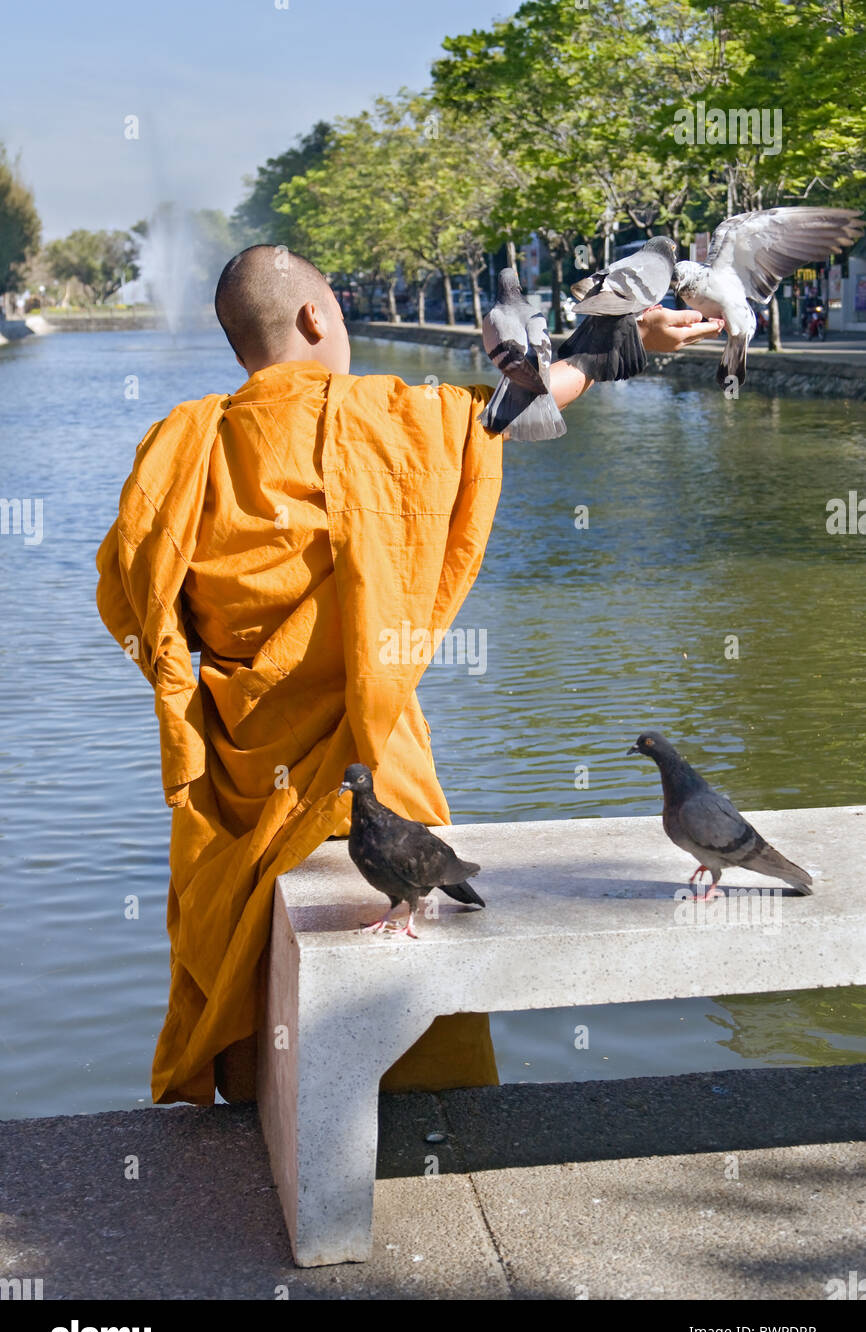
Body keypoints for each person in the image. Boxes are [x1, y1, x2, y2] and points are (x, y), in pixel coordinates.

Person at [95, 244, 722, 1105]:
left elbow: (135, 605)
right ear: (317, 319)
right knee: (416, 986)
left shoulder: (179, 448)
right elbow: (505, 413)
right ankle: (431, 1126)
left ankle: (260, 1108)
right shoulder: (382, 417)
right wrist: (620, 345)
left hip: (237, 778)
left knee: (245, 957)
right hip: (374, 764)